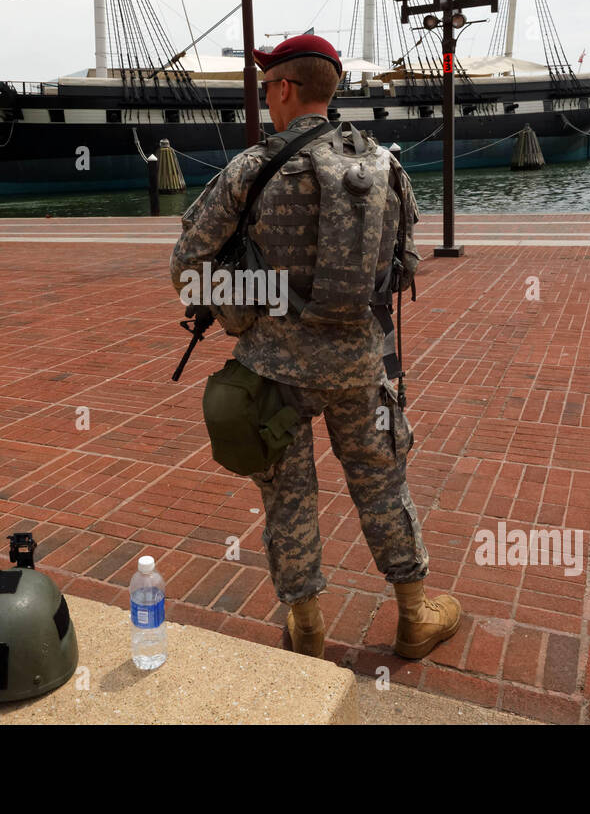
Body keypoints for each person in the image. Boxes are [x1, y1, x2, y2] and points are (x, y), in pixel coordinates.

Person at [170, 34, 460, 661]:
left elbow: (187, 267)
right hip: (362, 367)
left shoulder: (251, 169)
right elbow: (406, 266)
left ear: (285, 89)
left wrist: (246, 304)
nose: (266, 96)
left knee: (288, 497)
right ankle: (414, 616)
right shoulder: (387, 167)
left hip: (273, 373)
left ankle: (307, 630)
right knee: (383, 485)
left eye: (267, 86)